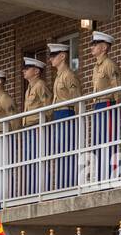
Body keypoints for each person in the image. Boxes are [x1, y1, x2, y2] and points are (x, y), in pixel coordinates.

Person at [89, 30, 121, 179]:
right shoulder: (96, 67)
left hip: (108, 104)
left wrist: (118, 106)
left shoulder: (109, 64)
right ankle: (101, 174)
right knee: (98, 141)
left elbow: (117, 88)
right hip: (98, 105)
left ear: (104, 47)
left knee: (108, 140)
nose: (92, 47)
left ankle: (111, 174)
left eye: (95, 44)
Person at [47, 42, 80, 190]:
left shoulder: (68, 75)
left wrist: (79, 117)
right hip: (58, 113)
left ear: (62, 56)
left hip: (67, 112)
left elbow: (76, 99)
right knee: (60, 150)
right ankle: (62, 183)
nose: (51, 59)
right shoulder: (58, 76)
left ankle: (69, 183)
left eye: (53, 56)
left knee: (68, 148)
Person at [21, 56, 51, 196]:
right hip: (28, 127)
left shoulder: (40, 85)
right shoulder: (28, 89)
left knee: (38, 158)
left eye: (27, 68)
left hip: (37, 126)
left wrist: (44, 124)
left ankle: (39, 189)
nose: (24, 71)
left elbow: (47, 106)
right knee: (29, 159)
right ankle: (31, 190)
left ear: (36, 71)